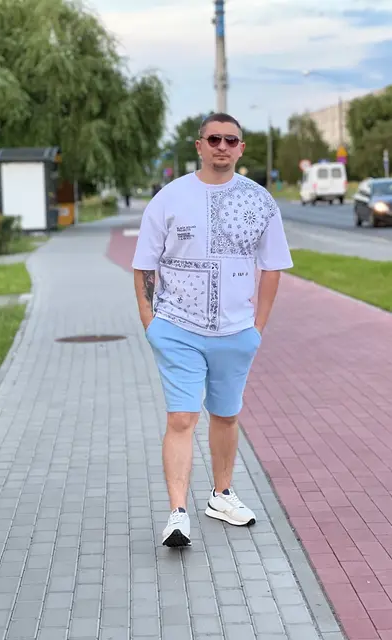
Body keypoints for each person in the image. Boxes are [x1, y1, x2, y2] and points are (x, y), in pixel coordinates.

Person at [132, 112, 293, 547]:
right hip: (177, 328)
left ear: (241, 148)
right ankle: (177, 514)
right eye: (215, 139)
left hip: (236, 332)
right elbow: (144, 264)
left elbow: (273, 266)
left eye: (231, 140)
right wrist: (151, 324)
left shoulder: (259, 201)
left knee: (226, 414)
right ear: (199, 146)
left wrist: (257, 328)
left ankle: (221, 496)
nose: (223, 146)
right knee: (182, 416)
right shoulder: (169, 198)